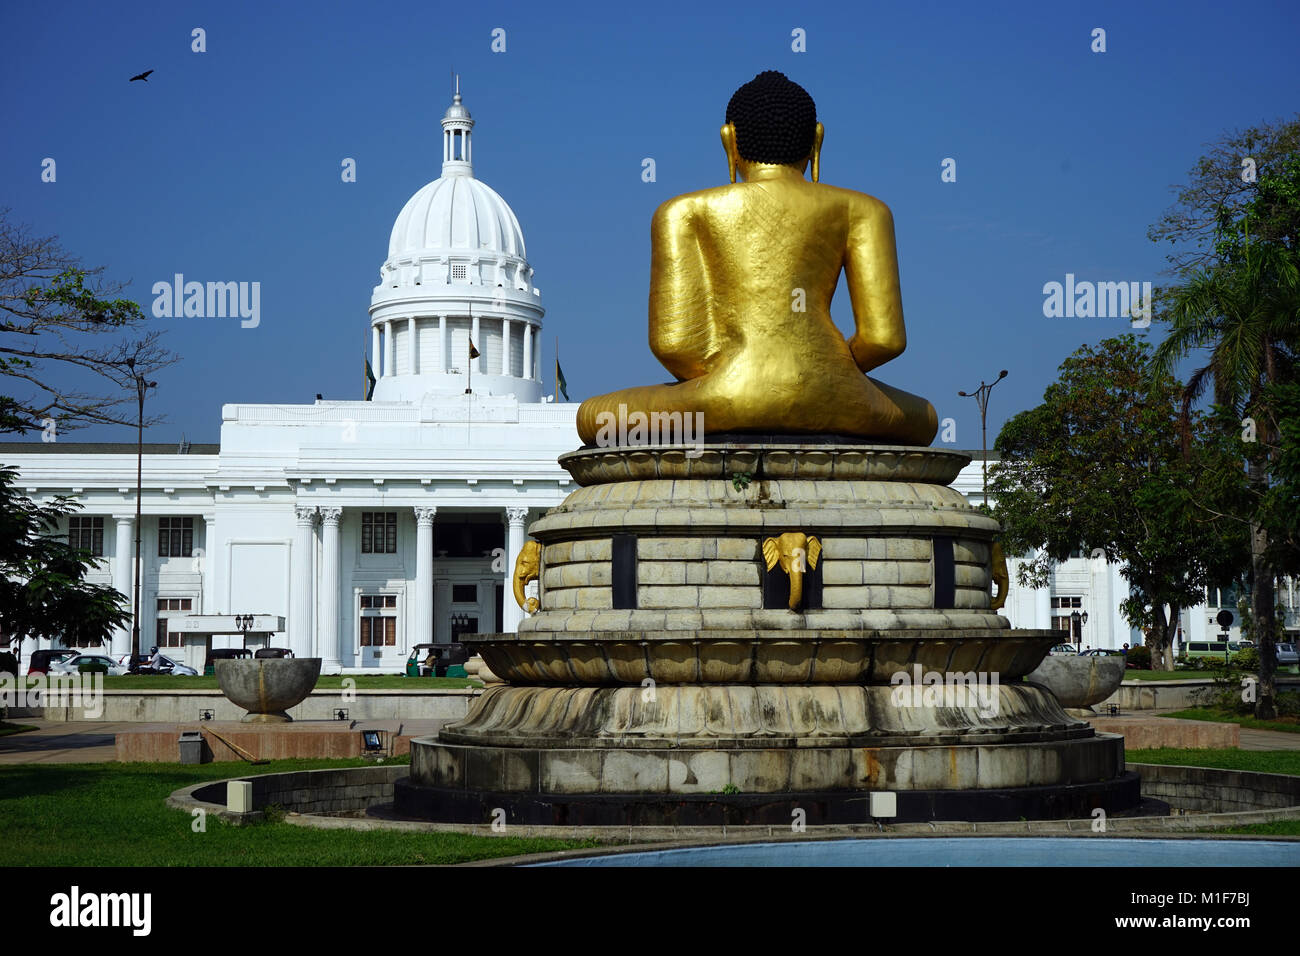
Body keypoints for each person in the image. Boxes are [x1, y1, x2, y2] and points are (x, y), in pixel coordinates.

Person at [576, 70, 937, 446]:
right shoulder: (865, 210)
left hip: (726, 395)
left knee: (595, 418)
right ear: (818, 140)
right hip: (839, 397)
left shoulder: (683, 211)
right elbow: (884, 339)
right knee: (925, 417)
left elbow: (676, 345)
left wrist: (732, 372)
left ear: (728, 139)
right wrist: (830, 370)